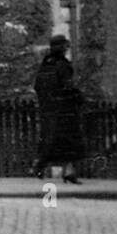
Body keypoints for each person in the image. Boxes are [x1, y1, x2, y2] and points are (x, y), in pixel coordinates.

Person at [31, 34, 84, 183]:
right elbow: (68, 87)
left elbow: (38, 86)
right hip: (65, 110)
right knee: (69, 141)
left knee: (49, 140)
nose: (67, 49)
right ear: (62, 48)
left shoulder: (46, 64)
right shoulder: (62, 65)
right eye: (65, 46)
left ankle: (40, 165)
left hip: (48, 110)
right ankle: (68, 171)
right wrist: (78, 97)